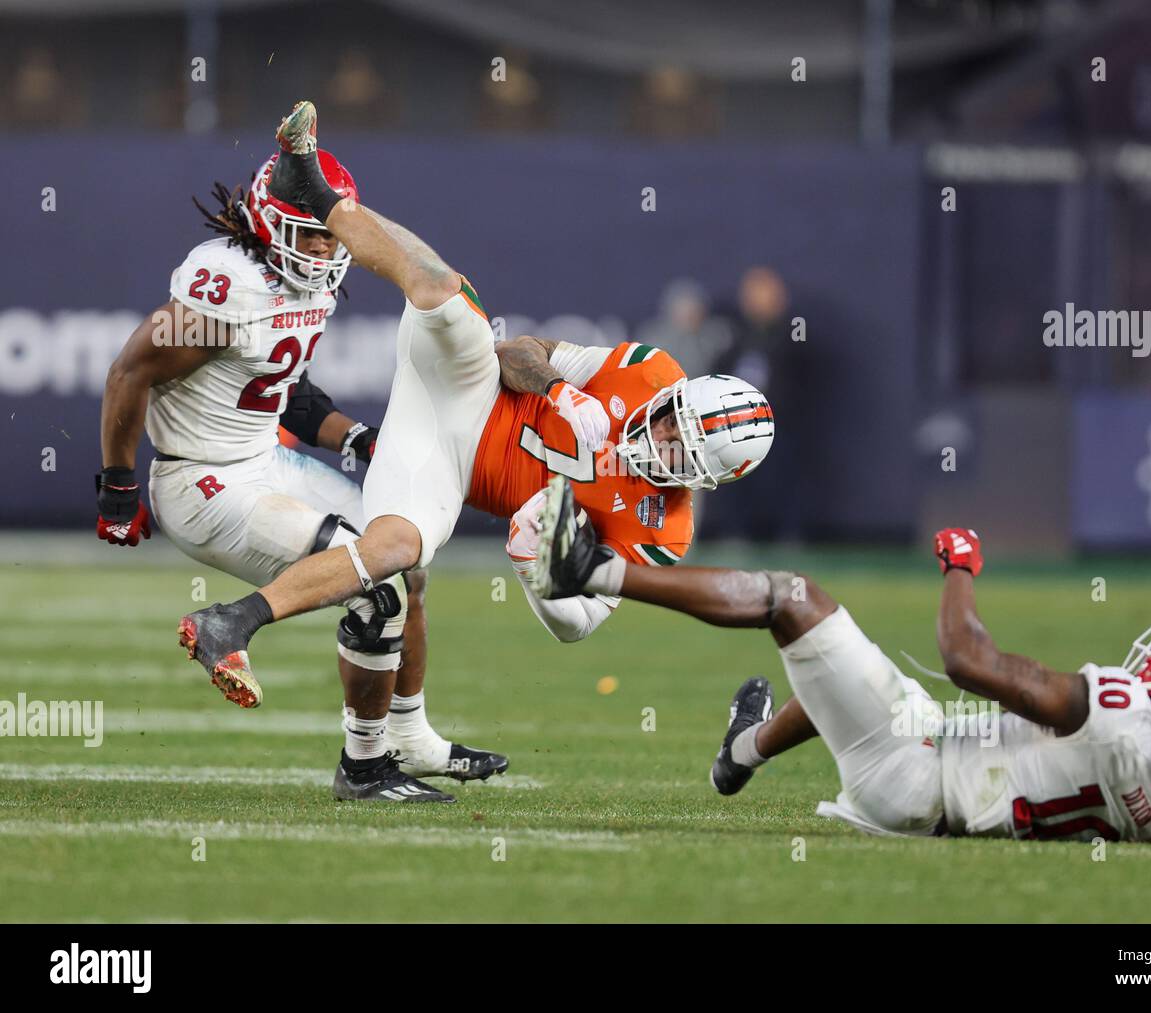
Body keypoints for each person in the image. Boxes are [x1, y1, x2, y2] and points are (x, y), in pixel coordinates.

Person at [178, 100, 775, 790]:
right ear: (675, 394)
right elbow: (515, 350)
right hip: (465, 385)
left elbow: (576, 626)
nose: (665, 435)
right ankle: (320, 194)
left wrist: (540, 572)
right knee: (442, 289)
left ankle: (256, 638)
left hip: (443, 465)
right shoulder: (649, 373)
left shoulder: (662, 526)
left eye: (683, 449)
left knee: (401, 557)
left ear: (703, 480)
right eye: (673, 418)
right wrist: (560, 389)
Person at [532, 479, 1151, 844]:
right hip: (944, 791)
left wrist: (961, 563)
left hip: (919, 773)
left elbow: (966, 657)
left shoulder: (1123, 710)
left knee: (791, 597)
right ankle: (741, 751)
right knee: (857, 670)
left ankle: (589, 568)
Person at [98, 141, 505, 805]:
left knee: (405, 557)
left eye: (327, 239)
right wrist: (116, 487)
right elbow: (129, 371)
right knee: (381, 587)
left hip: (262, 460)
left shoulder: (300, 286)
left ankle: (409, 737)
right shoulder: (227, 284)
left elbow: (280, 381)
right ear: (267, 222)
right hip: (205, 482)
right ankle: (364, 769)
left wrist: (357, 436)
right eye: (305, 237)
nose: (320, 254)